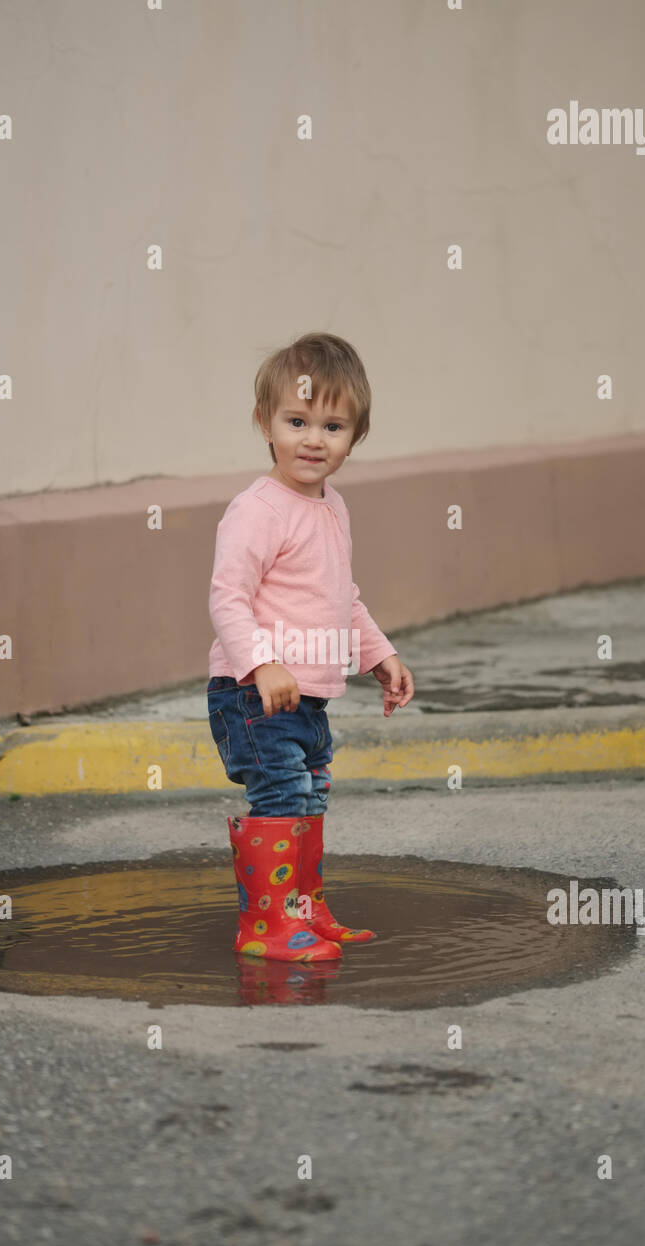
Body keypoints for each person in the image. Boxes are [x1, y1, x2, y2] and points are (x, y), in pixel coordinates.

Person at [207, 332, 415, 961]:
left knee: (312, 791)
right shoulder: (257, 511)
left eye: (333, 426)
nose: (313, 439)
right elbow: (227, 597)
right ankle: (264, 925)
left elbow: (342, 595)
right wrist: (262, 663)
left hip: (311, 698)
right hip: (253, 694)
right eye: (296, 421)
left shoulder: (332, 508)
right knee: (282, 796)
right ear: (265, 424)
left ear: (356, 437)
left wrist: (380, 655)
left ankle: (303, 908)